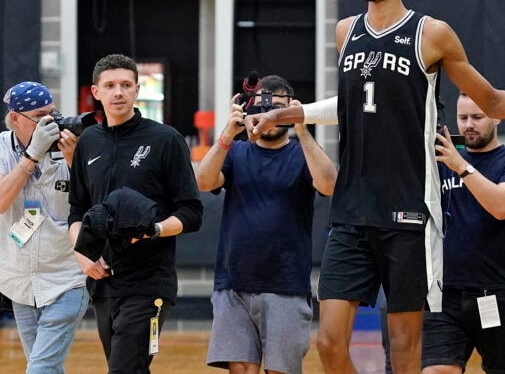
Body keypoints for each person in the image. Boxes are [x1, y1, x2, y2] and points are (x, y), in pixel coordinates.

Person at [246, 0, 505, 373]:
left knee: (403, 348)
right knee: (328, 342)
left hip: (409, 211)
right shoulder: (346, 32)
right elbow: (349, 104)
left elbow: (491, 102)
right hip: (351, 210)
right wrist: (287, 113)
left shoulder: (431, 34)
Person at [68, 54, 204, 374]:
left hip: (149, 283)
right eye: (111, 86)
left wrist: (154, 230)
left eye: (126, 85)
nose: (119, 92)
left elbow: (192, 212)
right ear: (95, 92)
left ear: (138, 90)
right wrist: (82, 255)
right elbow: (77, 209)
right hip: (103, 284)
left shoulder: (165, 139)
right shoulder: (88, 142)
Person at [195, 75, 337, 374]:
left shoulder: (301, 154)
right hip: (234, 285)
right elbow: (204, 181)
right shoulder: (236, 152)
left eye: (279, 108)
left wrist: (303, 127)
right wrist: (227, 133)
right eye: (261, 106)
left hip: (286, 285)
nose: (269, 114)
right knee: (241, 369)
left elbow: (328, 185)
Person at [422, 92, 505, 374]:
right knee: (435, 371)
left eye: (477, 117)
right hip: (446, 295)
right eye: (463, 118)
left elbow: (501, 206)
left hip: (496, 294)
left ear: (497, 116)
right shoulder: (442, 163)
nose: (468, 124)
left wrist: (461, 167)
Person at [0, 81, 89, 373]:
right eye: (39, 117)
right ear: (15, 118)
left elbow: (93, 202)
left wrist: (74, 160)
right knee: (46, 367)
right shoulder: (1, 148)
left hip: (67, 278)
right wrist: (31, 156)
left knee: (39, 369)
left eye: (52, 113)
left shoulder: (71, 146)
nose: (49, 123)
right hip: (20, 283)